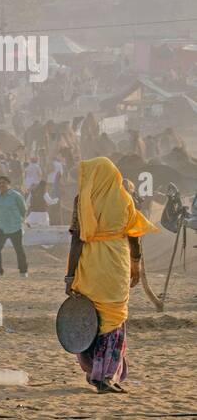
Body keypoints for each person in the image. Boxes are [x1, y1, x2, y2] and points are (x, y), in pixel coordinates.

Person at [65, 157, 157, 393]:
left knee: (90, 317)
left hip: (89, 266)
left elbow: (76, 239)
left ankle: (94, 371)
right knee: (113, 318)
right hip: (116, 264)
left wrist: (70, 275)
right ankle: (104, 375)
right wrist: (136, 263)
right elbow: (134, 235)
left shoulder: (81, 200)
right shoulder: (123, 198)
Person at [0, 175, 29, 277]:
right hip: (1, 226)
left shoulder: (16, 196)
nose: (1, 185)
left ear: (8, 184)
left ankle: (23, 271)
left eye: (4, 182)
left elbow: (23, 209)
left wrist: (20, 220)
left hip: (15, 227)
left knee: (19, 250)